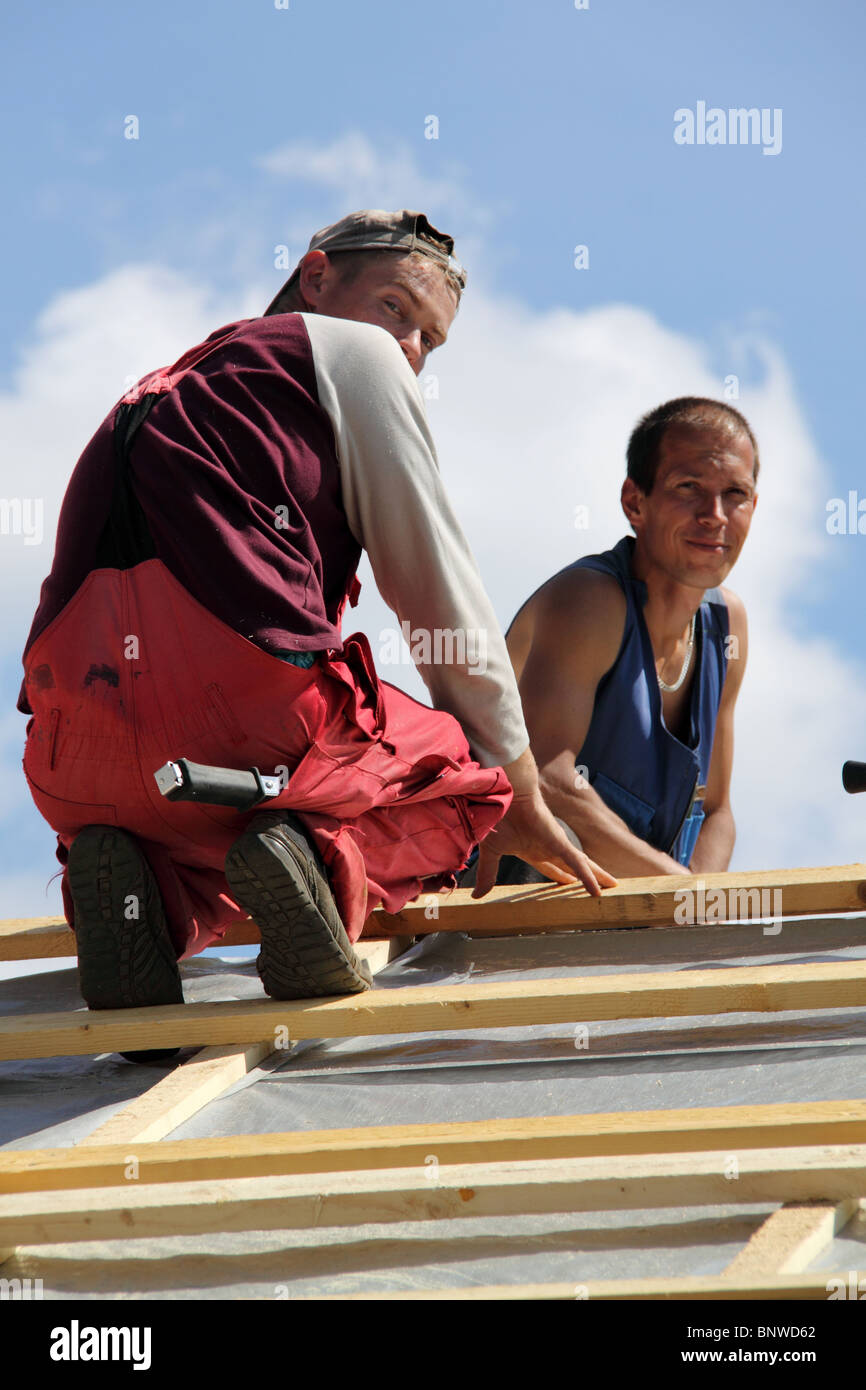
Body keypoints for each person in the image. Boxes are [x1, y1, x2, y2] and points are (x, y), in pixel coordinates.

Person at [19, 208, 614, 1053]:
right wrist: (516, 791)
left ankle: (138, 902)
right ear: (316, 275)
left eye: (430, 344)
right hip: (242, 704)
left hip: (76, 755)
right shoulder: (351, 357)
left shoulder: (151, 392)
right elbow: (439, 591)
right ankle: (326, 872)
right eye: (398, 311)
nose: (409, 350)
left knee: (205, 834)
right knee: (452, 776)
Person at [482, 397, 757, 884]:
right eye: (688, 487)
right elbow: (548, 781)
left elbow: (717, 811)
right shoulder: (592, 599)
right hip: (491, 911)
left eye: (735, 492)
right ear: (635, 502)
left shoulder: (727, 626)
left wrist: (697, 907)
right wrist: (685, 899)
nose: (714, 514)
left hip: (623, 921)